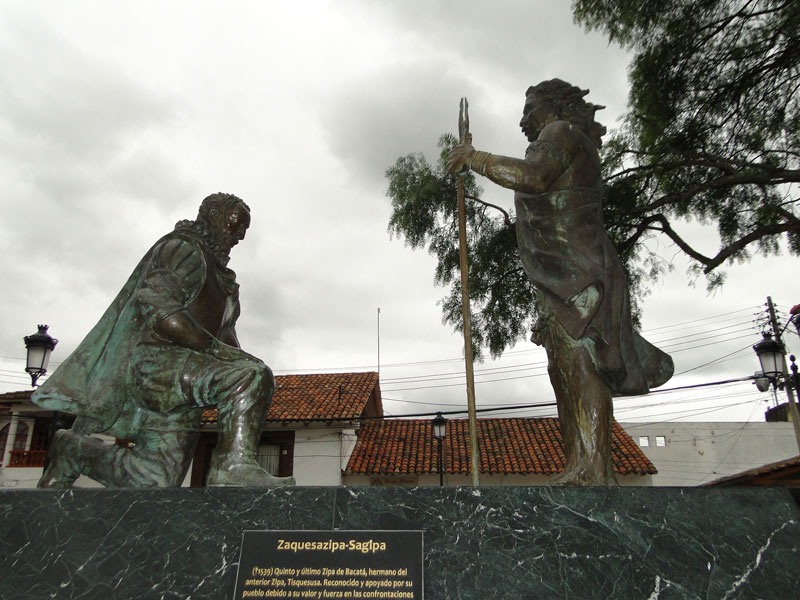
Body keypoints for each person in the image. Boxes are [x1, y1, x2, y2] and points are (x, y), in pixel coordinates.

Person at [447, 80, 673, 484]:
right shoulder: (560, 138)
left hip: (581, 274)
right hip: (566, 278)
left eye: (528, 109)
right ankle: (580, 464)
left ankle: (595, 469)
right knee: (565, 371)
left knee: (582, 368)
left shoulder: (562, 133)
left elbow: (534, 178)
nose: (521, 121)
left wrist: (475, 158)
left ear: (551, 109)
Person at [33, 193, 294, 488]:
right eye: (235, 224)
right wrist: (239, 367)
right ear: (213, 216)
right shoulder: (183, 250)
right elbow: (159, 305)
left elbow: (224, 334)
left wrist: (241, 358)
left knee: (154, 480)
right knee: (249, 377)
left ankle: (73, 451)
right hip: (156, 365)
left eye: (245, 229)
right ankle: (233, 466)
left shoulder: (225, 282)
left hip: (182, 379)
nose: (240, 235)